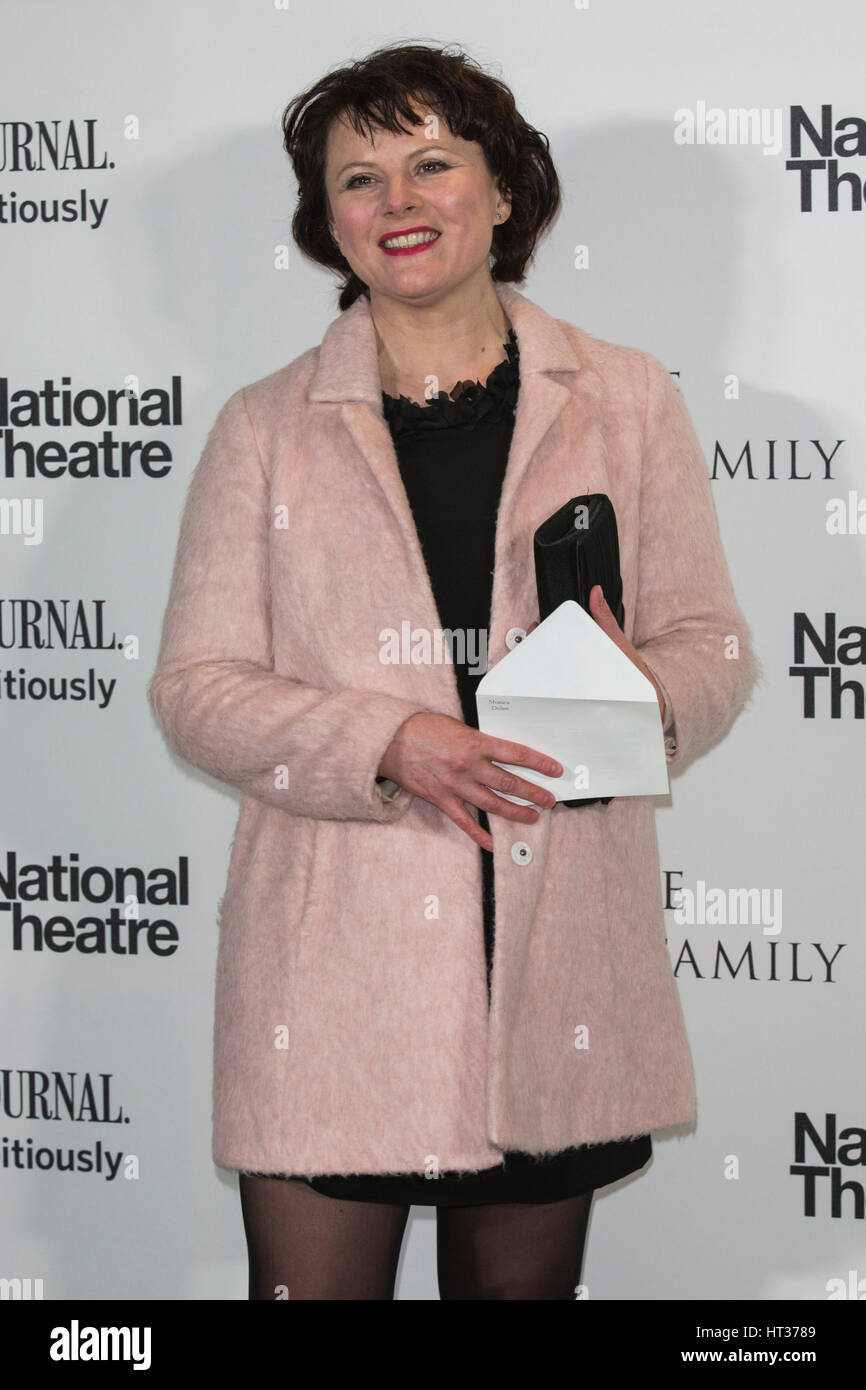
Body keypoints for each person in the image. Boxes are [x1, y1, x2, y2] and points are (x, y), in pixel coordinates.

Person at [148, 41, 759, 1300]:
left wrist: (622, 704)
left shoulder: (627, 399)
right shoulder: (262, 425)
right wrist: (388, 741)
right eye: (359, 179)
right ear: (327, 223)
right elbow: (196, 686)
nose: (399, 203)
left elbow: (711, 647)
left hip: (553, 959)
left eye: (432, 163)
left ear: (502, 192)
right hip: (333, 979)